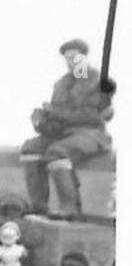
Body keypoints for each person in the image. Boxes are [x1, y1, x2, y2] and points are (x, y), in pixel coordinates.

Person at [21, 39, 114, 218]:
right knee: (30, 148)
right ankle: (39, 206)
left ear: (85, 57)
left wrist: (57, 114)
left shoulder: (99, 82)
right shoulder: (61, 84)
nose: (71, 62)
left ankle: (69, 207)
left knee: (58, 152)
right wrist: (42, 119)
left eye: (75, 57)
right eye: (68, 59)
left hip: (90, 134)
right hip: (63, 133)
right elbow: (56, 112)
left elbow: (94, 116)